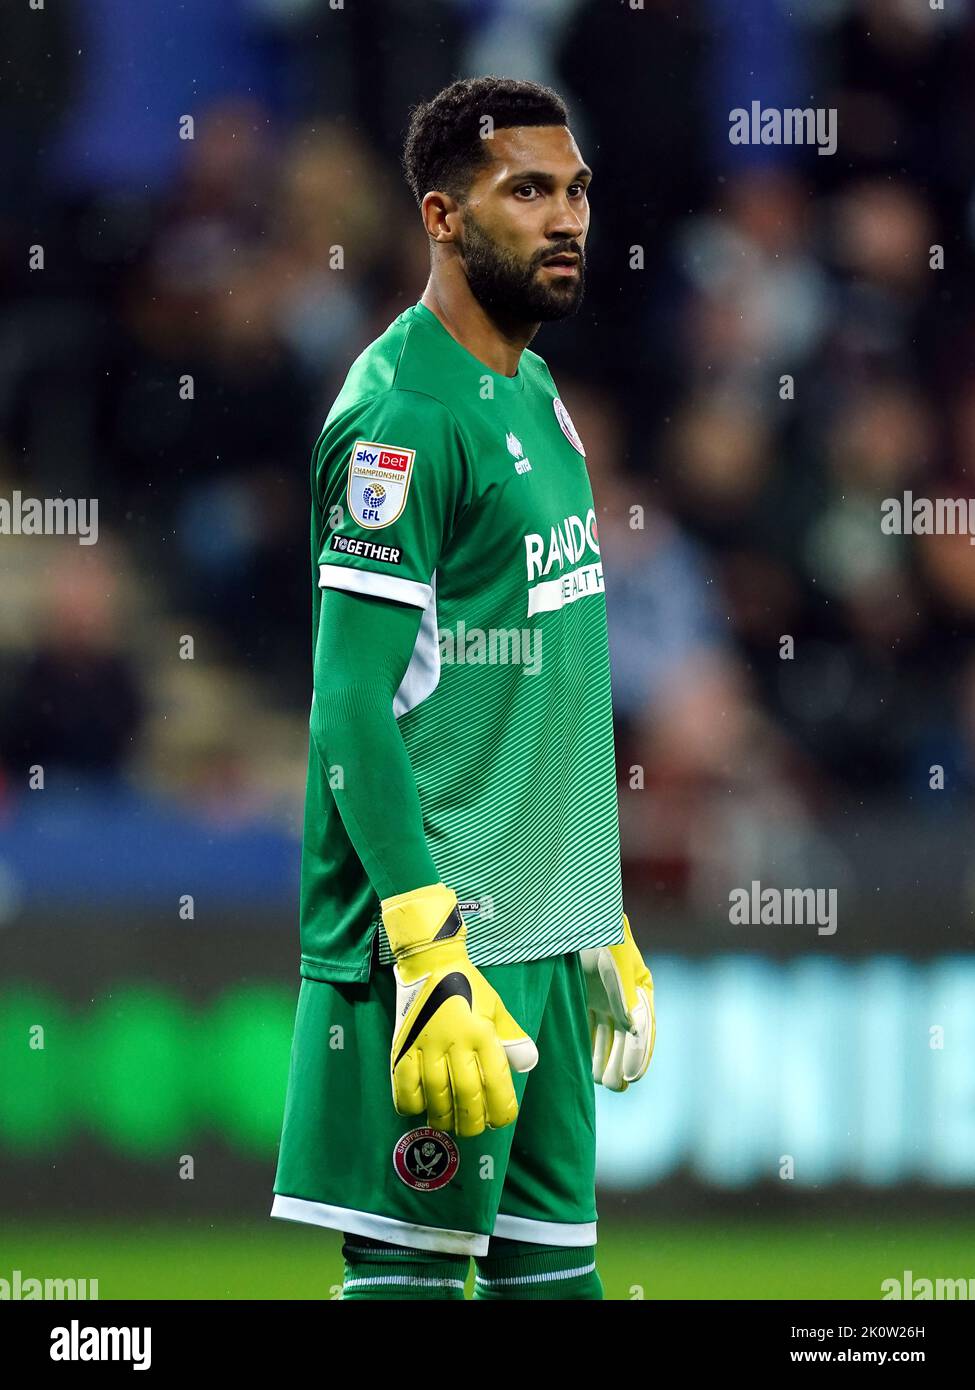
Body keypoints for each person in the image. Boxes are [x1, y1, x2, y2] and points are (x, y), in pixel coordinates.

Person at [271, 75, 655, 1301]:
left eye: (577, 190)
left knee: (558, 1284)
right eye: (528, 190)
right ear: (441, 216)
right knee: (413, 1282)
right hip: (434, 948)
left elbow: (550, 671)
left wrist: (592, 905)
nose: (568, 218)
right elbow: (348, 705)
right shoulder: (399, 418)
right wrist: (423, 943)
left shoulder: (536, 394)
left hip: (536, 928)